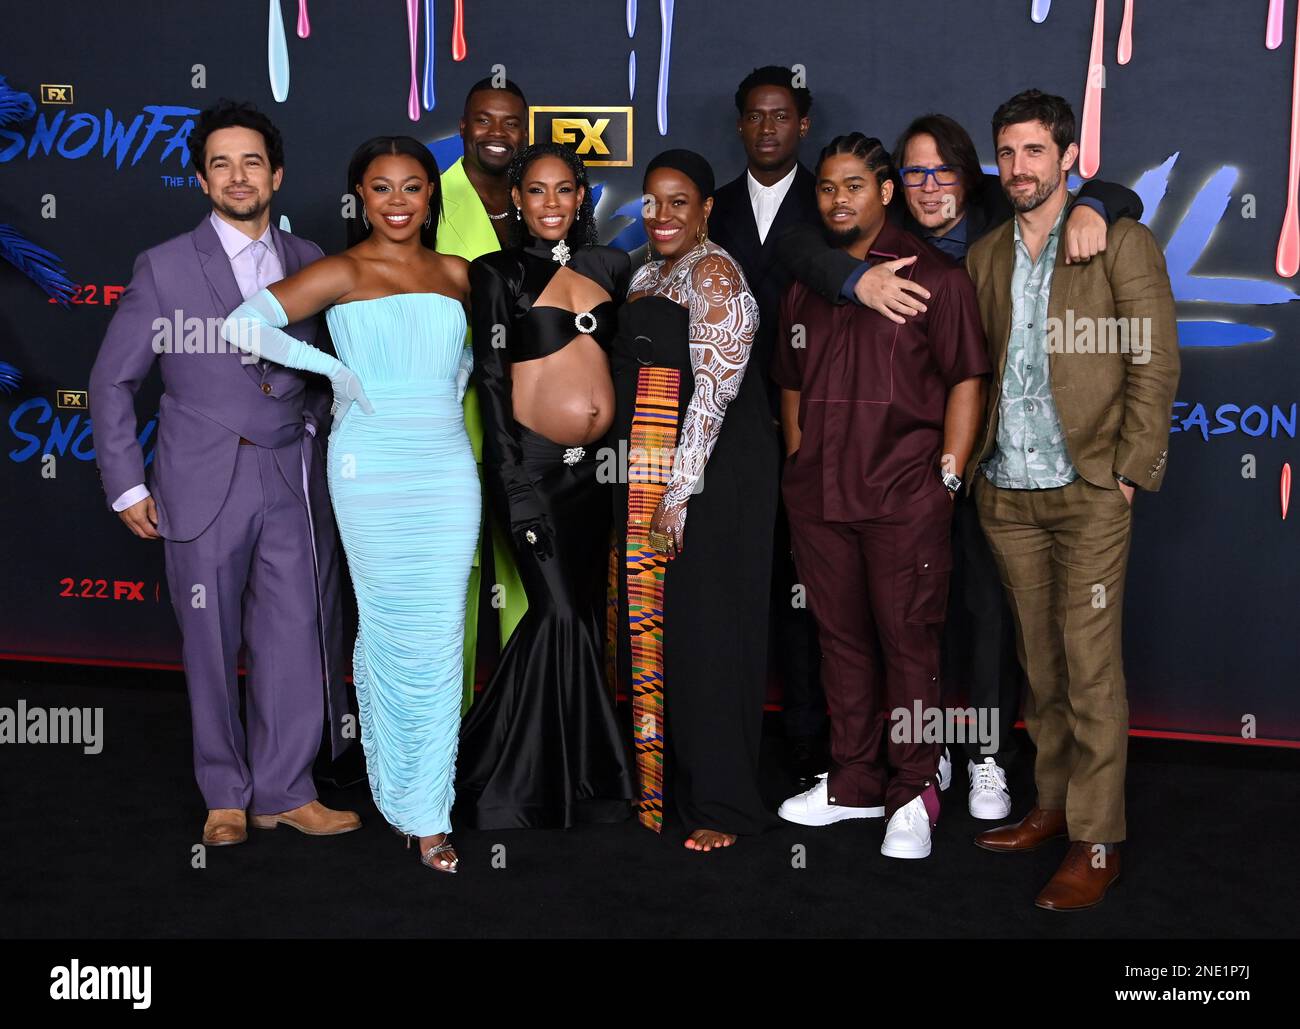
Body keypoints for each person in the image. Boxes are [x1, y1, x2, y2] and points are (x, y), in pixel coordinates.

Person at [777, 112, 1145, 820]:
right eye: (914, 173)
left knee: (981, 621)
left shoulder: (996, 220)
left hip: (973, 473)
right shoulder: (843, 255)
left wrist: (947, 473)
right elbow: (798, 245)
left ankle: (982, 759)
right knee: (894, 628)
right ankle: (916, 757)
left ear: (972, 176)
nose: (928, 185)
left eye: (942, 171)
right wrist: (854, 280)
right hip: (912, 476)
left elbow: (1100, 195)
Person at [88, 100, 356, 849]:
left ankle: (285, 789)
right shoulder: (165, 265)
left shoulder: (312, 260)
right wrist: (127, 482)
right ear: (203, 179)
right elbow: (112, 381)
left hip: (294, 473)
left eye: (251, 162)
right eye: (220, 164)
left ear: (276, 173)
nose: (238, 177)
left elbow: (341, 371)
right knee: (209, 636)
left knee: (298, 632)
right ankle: (225, 794)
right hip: (201, 477)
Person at [221, 136, 480, 874]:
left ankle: (426, 806)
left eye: (411, 187)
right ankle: (406, 799)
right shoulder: (341, 270)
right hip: (369, 464)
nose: (397, 202)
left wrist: (450, 381)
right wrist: (332, 368)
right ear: (359, 197)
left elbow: (476, 359)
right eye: (380, 188)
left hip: (444, 467)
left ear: (432, 196)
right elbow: (243, 323)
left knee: (441, 636)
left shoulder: (458, 273)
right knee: (391, 627)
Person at [965, 90, 1179, 909]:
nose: (1019, 167)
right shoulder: (985, 255)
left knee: (1090, 668)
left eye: (1033, 151)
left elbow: (1153, 362)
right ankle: (1052, 804)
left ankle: (1097, 837)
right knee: (1040, 661)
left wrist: (1127, 471)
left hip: (1090, 487)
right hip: (1007, 491)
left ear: (1066, 156)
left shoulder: (1117, 241)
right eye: (1007, 153)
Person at [773, 134, 989, 859]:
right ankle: (855, 782)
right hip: (820, 497)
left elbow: (966, 377)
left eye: (855, 186)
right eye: (829, 187)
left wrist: (948, 476)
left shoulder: (939, 277)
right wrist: (801, 458)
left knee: (908, 648)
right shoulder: (811, 280)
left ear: (886, 191)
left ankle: (914, 790)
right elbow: (791, 381)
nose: (839, 199)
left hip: (904, 496)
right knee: (840, 642)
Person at [455, 143, 635, 828]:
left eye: (564, 190)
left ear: (582, 196)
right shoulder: (496, 273)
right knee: (557, 613)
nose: (552, 203)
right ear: (518, 199)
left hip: (595, 475)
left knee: (583, 618)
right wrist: (514, 487)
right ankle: (503, 777)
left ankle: (577, 776)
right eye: (537, 191)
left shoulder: (612, 267)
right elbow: (494, 388)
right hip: (531, 469)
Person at [610, 149, 778, 852]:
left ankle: (726, 803)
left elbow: (712, 396)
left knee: (713, 631)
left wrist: (679, 494)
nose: (664, 214)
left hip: (715, 475)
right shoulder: (647, 273)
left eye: (680, 201)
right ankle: (674, 784)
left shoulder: (716, 273)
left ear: (707, 208)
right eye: (652, 201)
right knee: (671, 631)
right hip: (656, 472)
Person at [707, 65, 826, 781]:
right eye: (755, 115)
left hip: (813, 422)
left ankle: (813, 748)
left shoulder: (836, 199)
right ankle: (729, 745)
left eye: (781, 115)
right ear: (741, 124)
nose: (769, 127)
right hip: (724, 428)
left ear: (802, 124)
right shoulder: (709, 208)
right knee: (731, 582)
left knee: (808, 587)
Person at [436, 77, 532, 707]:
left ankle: (525, 730)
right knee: (456, 580)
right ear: (464, 127)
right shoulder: (428, 198)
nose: (497, 134)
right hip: (451, 413)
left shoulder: (543, 201)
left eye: (510, 123)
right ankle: (452, 736)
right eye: (484, 121)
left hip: (531, 417)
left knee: (527, 569)